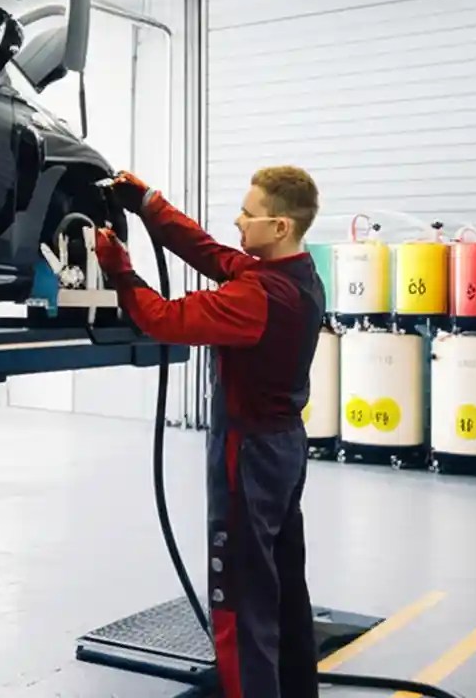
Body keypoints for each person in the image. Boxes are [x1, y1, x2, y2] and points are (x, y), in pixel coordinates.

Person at [94, 167, 324, 698]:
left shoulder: (258, 298)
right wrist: (148, 203)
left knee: (240, 597)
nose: (238, 221)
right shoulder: (298, 274)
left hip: (248, 456)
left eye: (248, 214)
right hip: (286, 447)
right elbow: (211, 253)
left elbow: (165, 320)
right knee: (283, 584)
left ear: (280, 226)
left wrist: (120, 271)